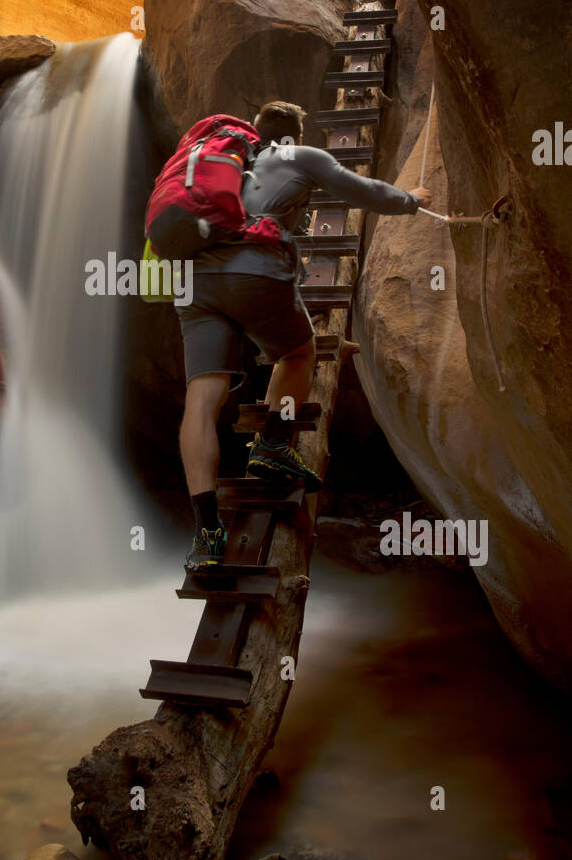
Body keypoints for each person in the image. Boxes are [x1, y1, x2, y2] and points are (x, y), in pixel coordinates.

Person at [176, 99, 432, 570]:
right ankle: (272, 444)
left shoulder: (223, 167)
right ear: (294, 133)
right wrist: (411, 200)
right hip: (254, 271)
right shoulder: (299, 156)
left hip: (192, 283)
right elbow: (365, 190)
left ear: (252, 132)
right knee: (296, 352)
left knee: (201, 400)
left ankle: (206, 535)